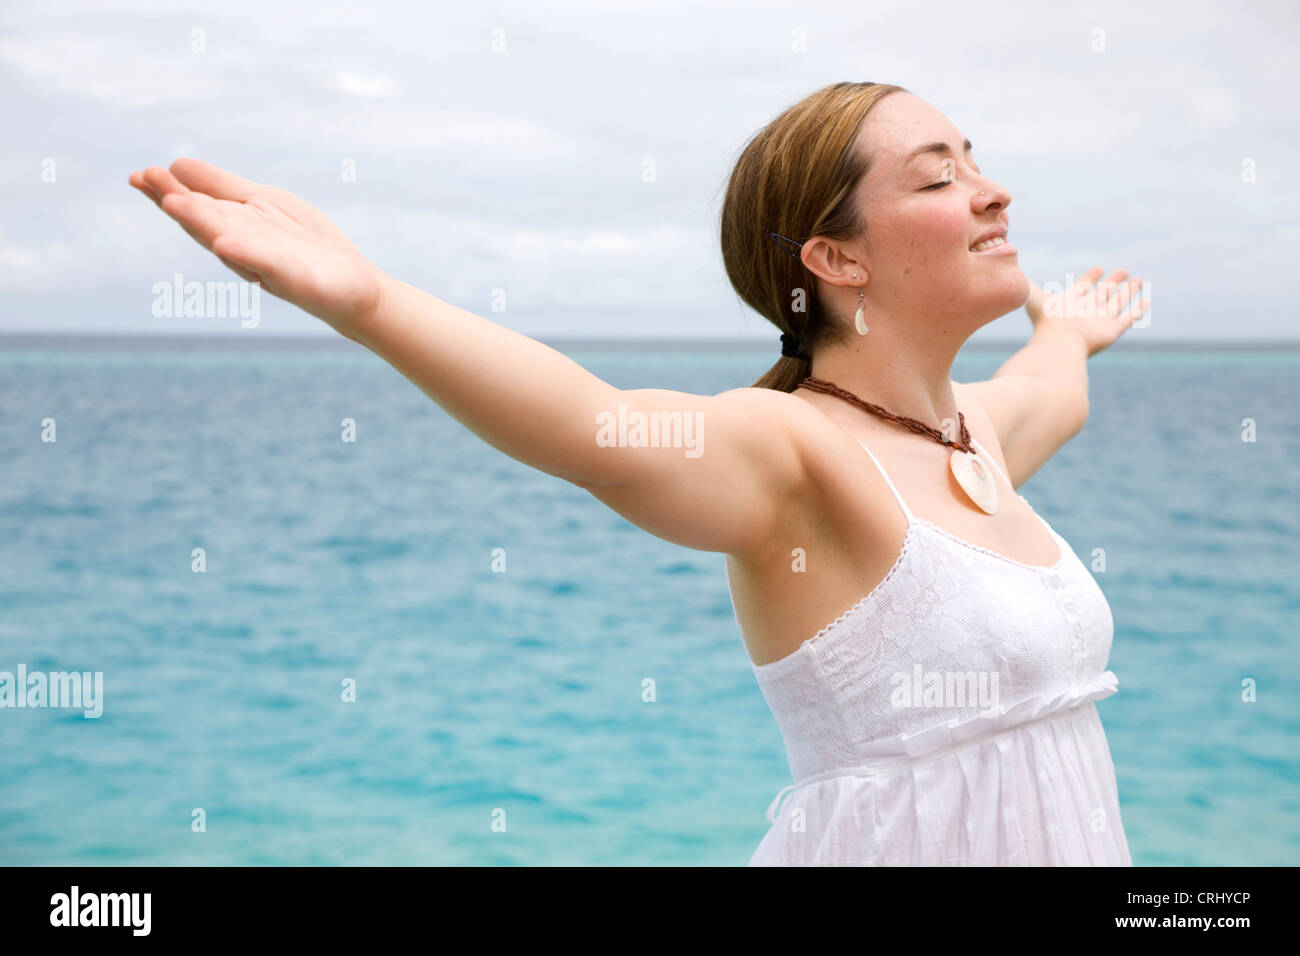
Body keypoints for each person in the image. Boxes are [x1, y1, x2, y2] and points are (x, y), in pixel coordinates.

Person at [128, 80, 1145, 866]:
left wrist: (1070, 332)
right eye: (936, 177)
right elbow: (594, 429)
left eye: (974, 159)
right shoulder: (792, 449)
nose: (990, 187)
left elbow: (1050, 384)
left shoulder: (974, 435)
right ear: (834, 260)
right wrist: (372, 304)